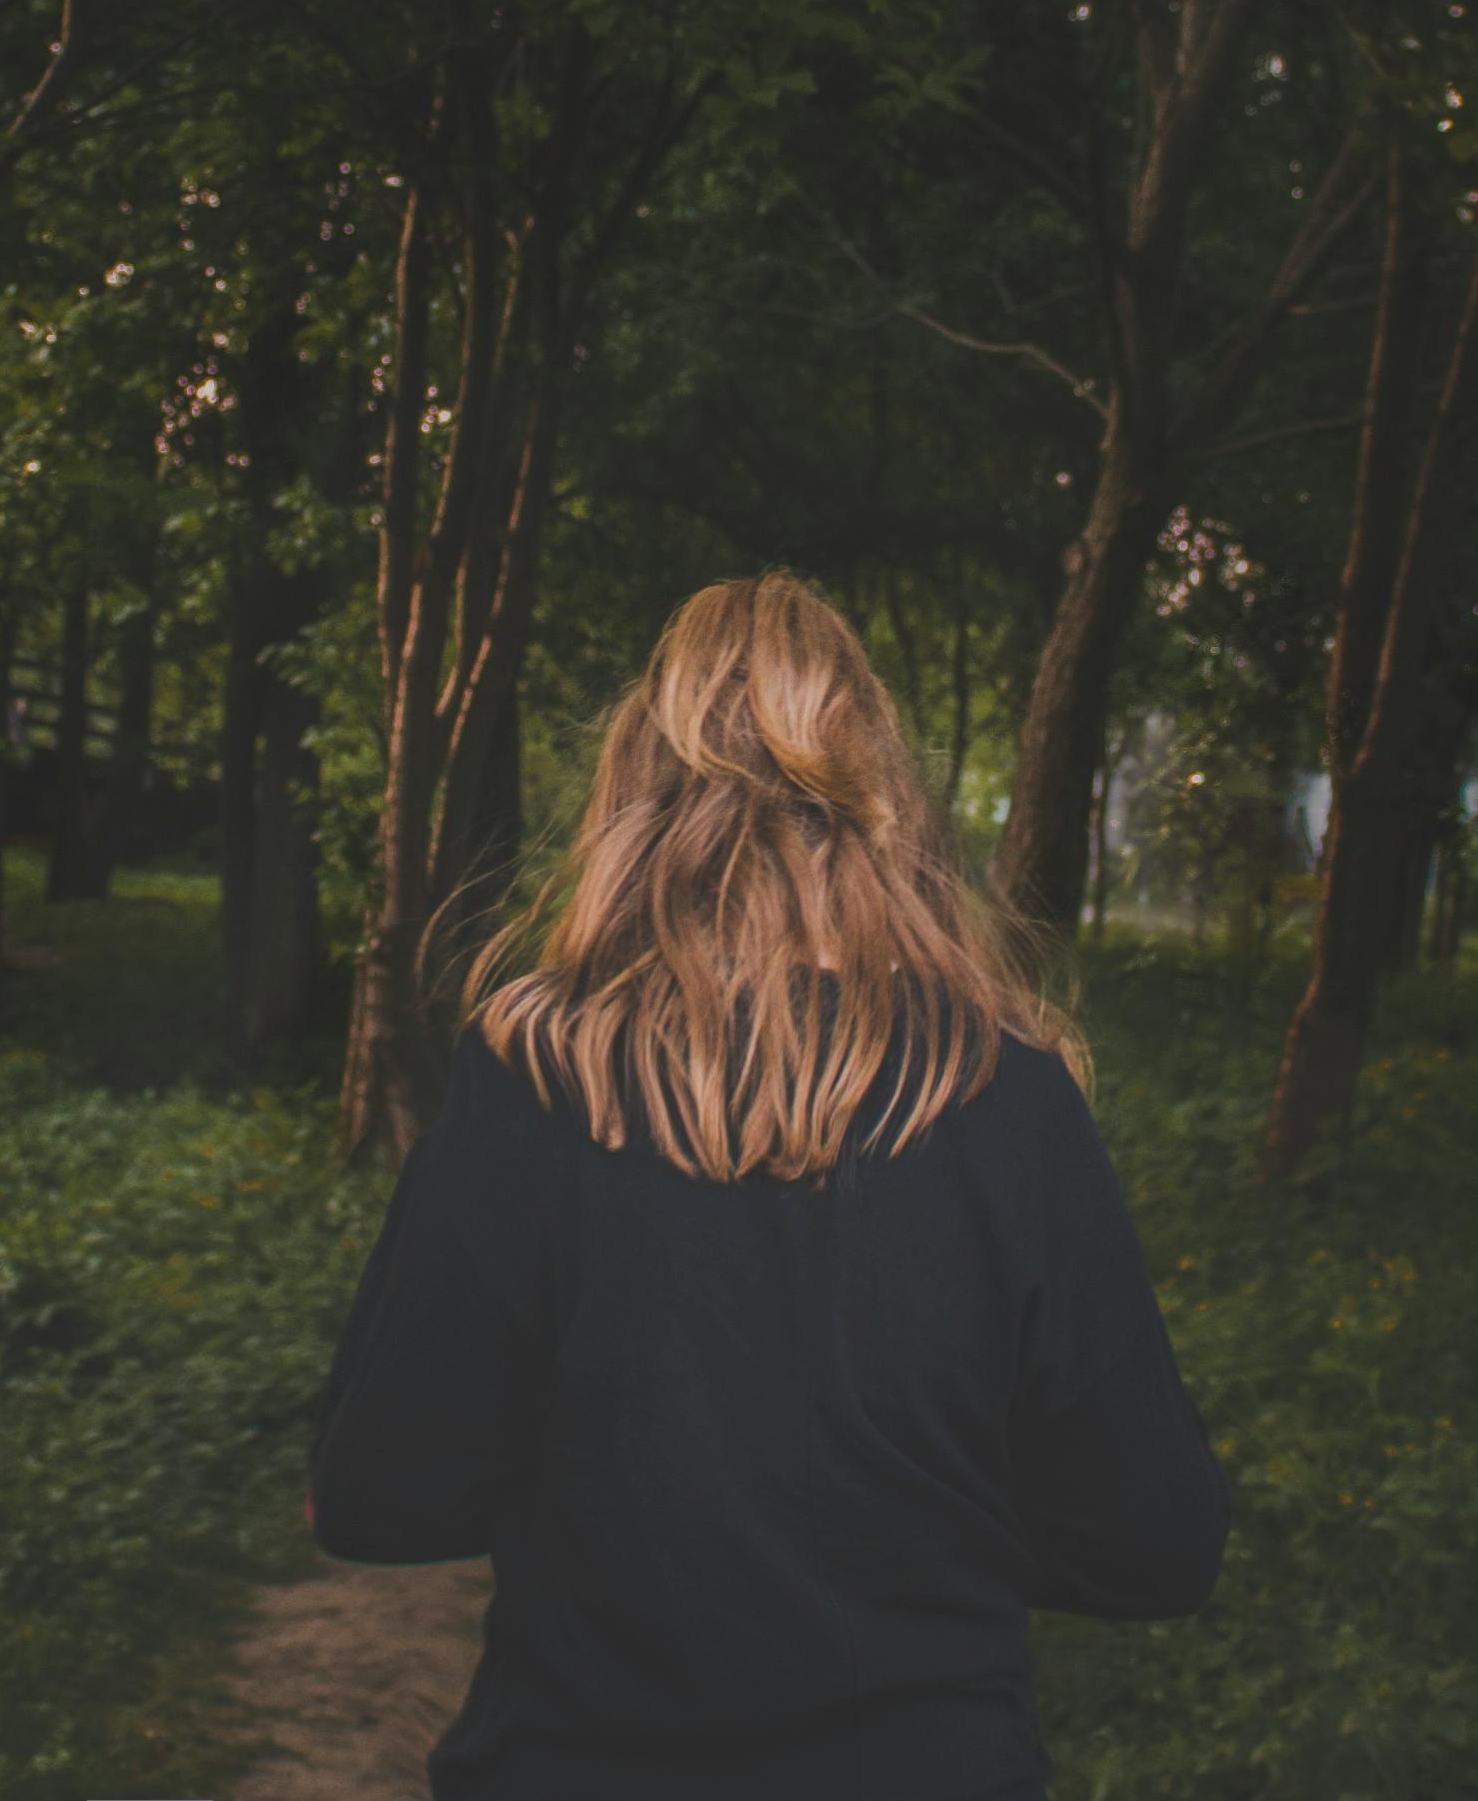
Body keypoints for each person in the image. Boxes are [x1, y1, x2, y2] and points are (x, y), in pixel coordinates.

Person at [305, 572, 1230, 1801]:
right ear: (881, 801)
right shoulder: (1014, 1103)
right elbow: (1159, 1548)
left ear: (635, 796)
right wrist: (919, 1531)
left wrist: (605, 1492)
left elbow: (373, 1496)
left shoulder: (533, 1080)